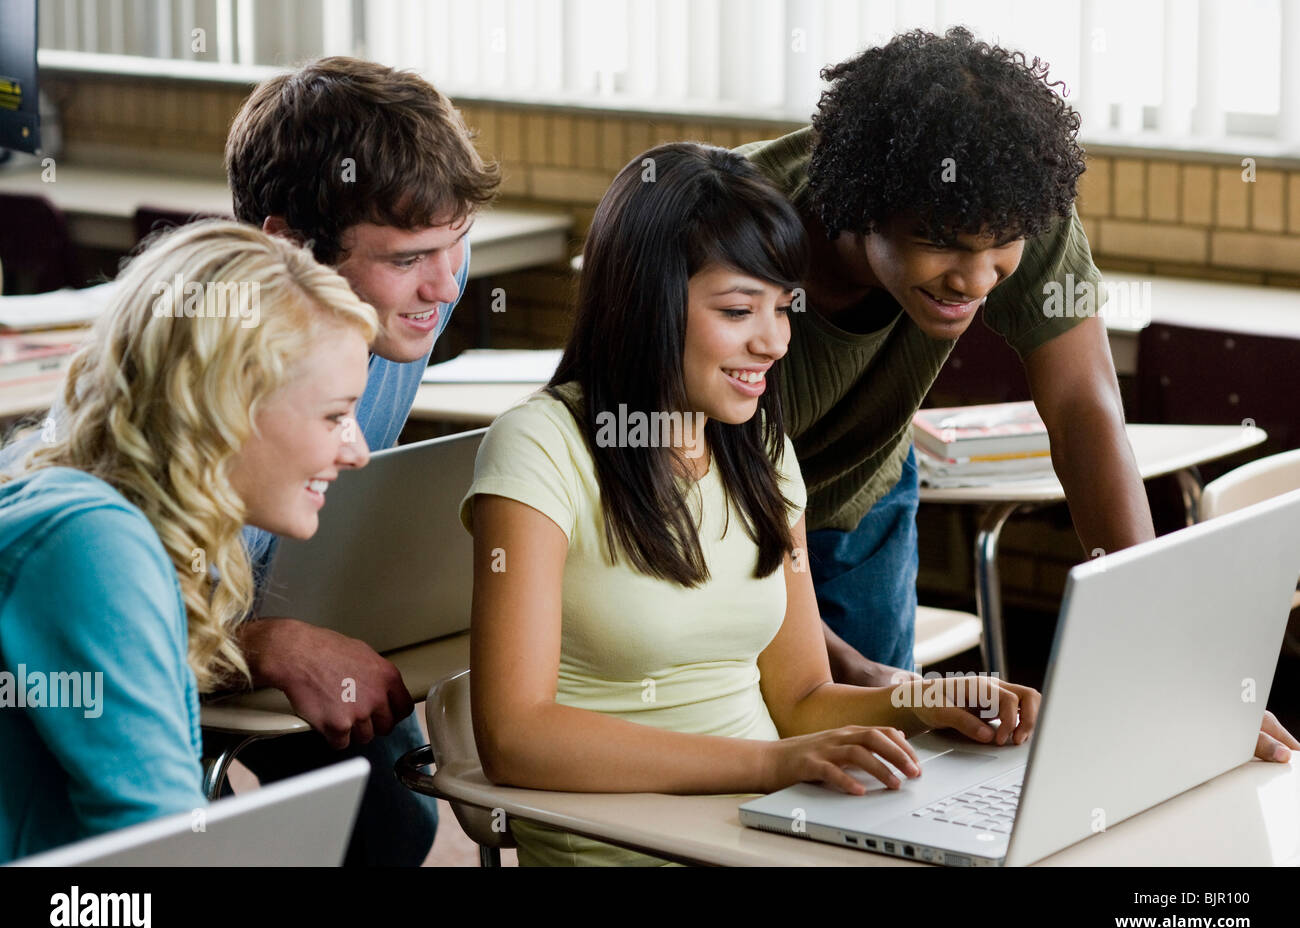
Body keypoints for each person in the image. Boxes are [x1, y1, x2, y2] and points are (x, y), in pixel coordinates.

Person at [462, 143, 1040, 866]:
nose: (773, 342)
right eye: (739, 310)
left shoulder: (757, 446)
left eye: (782, 309)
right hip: (629, 845)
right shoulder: (539, 448)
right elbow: (517, 739)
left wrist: (929, 699)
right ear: (646, 303)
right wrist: (771, 766)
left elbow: (800, 696)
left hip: (764, 833)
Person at [736, 28, 1297, 762]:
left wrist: (1158, 650)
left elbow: (1083, 411)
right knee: (763, 754)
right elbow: (702, 495)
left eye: (999, 247)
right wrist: (865, 678)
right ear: (859, 206)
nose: (974, 279)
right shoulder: (734, 235)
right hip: (721, 516)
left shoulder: (1013, 200)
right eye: (940, 244)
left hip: (859, 497)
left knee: (863, 777)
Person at [0, 220, 376, 863]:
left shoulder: (108, 524)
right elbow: (165, 848)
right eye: (335, 416)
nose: (358, 451)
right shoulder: (93, 544)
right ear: (226, 404)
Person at [221, 56, 501, 864]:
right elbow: (101, 619)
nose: (446, 290)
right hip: (140, 661)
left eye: (459, 244)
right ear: (286, 249)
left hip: (299, 595)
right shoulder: (198, 392)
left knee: (392, 825)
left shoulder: (428, 281)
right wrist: (266, 643)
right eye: (409, 258)